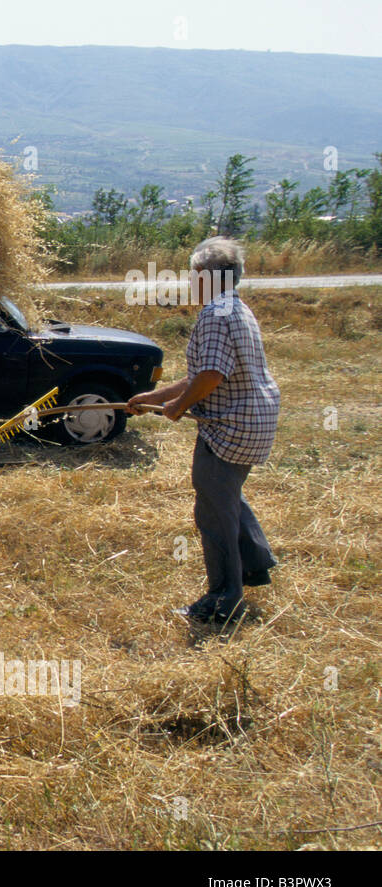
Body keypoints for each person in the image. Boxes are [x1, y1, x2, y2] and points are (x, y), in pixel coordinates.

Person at [126, 237, 280, 635]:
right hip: (255, 420)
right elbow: (202, 374)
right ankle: (256, 563)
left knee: (213, 508)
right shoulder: (236, 308)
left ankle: (223, 601)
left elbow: (211, 377)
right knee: (223, 494)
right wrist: (155, 398)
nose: (190, 282)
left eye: (193, 275)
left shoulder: (215, 314)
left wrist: (177, 407)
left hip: (233, 422)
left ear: (206, 277)